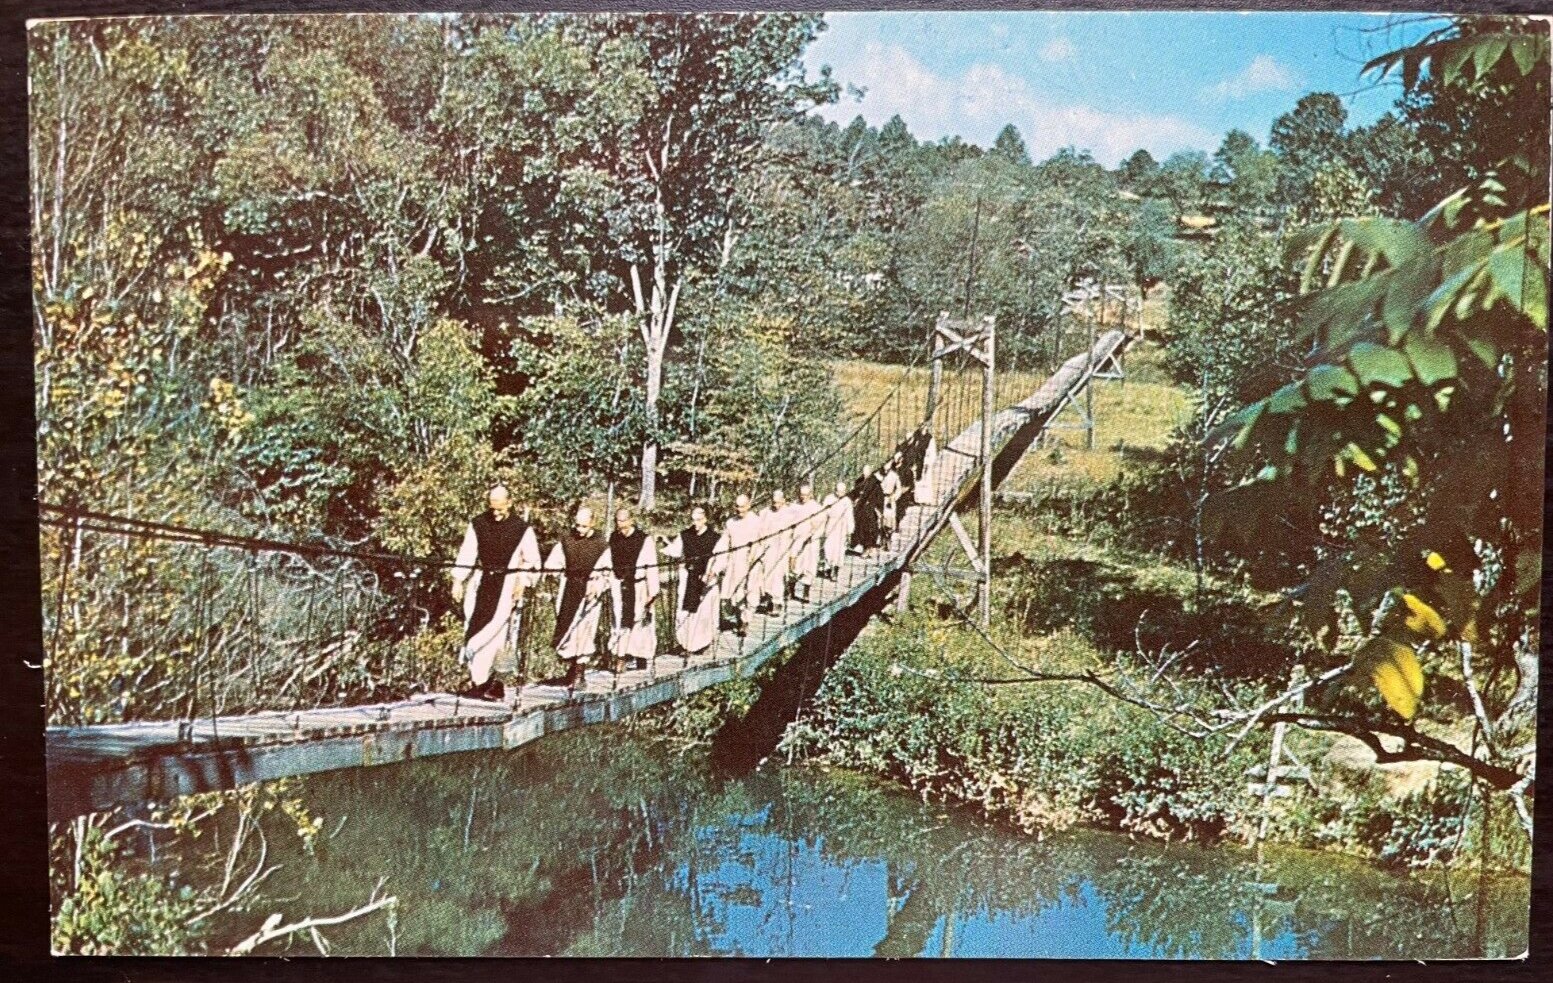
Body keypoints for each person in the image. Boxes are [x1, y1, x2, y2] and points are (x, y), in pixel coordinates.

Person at [450, 484, 541, 702]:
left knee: (500, 635)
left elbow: (532, 560)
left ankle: (496, 684)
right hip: (481, 582)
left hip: (507, 586)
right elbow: (467, 553)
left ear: (509, 503)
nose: (496, 513)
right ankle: (478, 682)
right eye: (492, 508)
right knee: (475, 629)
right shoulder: (479, 524)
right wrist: (458, 580)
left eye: (500, 508)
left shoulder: (522, 529)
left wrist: (523, 581)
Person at [543, 505, 612, 691]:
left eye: (584, 526)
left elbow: (607, 572)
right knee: (568, 631)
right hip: (569, 587)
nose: (579, 530)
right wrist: (551, 570)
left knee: (584, 631)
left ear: (592, 523)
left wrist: (597, 586)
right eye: (577, 525)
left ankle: (580, 673)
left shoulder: (601, 545)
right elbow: (555, 560)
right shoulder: (567, 540)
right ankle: (571, 671)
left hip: (589, 590)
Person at [660, 505, 720, 655]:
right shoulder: (685, 535)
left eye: (699, 520)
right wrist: (663, 545)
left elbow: (719, 558)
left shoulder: (714, 538)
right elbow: (676, 551)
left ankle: (701, 644)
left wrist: (713, 572)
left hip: (706, 578)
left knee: (703, 612)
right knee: (684, 610)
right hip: (688, 576)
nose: (696, 524)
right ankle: (686, 643)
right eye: (693, 520)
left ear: (705, 519)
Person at [607, 507, 659, 673]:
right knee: (620, 621)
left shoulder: (643, 540)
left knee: (639, 622)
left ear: (631, 520)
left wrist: (652, 591)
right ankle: (620, 657)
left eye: (623, 521)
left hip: (638, 585)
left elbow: (651, 566)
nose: (620, 524)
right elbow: (608, 561)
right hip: (619, 584)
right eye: (617, 520)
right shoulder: (614, 538)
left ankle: (640, 655)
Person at [707, 493, 762, 636]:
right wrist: (716, 566)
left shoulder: (756, 521)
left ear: (749, 505)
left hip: (751, 560)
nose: (739, 510)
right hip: (735, 561)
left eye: (742, 507)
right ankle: (740, 618)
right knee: (735, 593)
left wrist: (753, 559)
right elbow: (724, 543)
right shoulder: (731, 522)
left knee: (750, 591)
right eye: (737, 507)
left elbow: (760, 542)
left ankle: (745, 622)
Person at [754, 489, 798, 615]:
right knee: (766, 575)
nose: (776, 505)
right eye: (774, 502)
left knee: (778, 575)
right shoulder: (764, 513)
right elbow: (759, 530)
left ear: (783, 501)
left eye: (778, 502)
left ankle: (777, 602)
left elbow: (795, 532)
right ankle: (768, 599)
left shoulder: (790, 514)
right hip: (768, 549)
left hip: (782, 549)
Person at [788, 482, 824, 603]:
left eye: (806, 495)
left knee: (809, 566)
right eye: (801, 495)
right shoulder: (794, 507)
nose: (803, 497)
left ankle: (806, 593)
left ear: (810, 494)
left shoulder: (817, 508)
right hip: (796, 540)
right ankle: (791, 591)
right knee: (794, 566)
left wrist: (813, 536)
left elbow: (820, 526)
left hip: (810, 543)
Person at [819, 479, 854, 580]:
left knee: (839, 550)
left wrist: (850, 530)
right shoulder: (829, 499)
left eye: (842, 491)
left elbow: (849, 516)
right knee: (828, 547)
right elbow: (823, 513)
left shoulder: (847, 501)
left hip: (842, 528)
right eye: (839, 491)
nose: (840, 493)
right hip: (831, 525)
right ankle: (828, 567)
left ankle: (835, 570)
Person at [880, 453, 903, 544]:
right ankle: (881, 539)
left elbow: (899, 489)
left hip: (889, 499)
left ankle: (888, 539)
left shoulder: (894, 475)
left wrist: (894, 497)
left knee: (889, 519)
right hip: (880, 499)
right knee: (881, 519)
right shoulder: (879, 475)